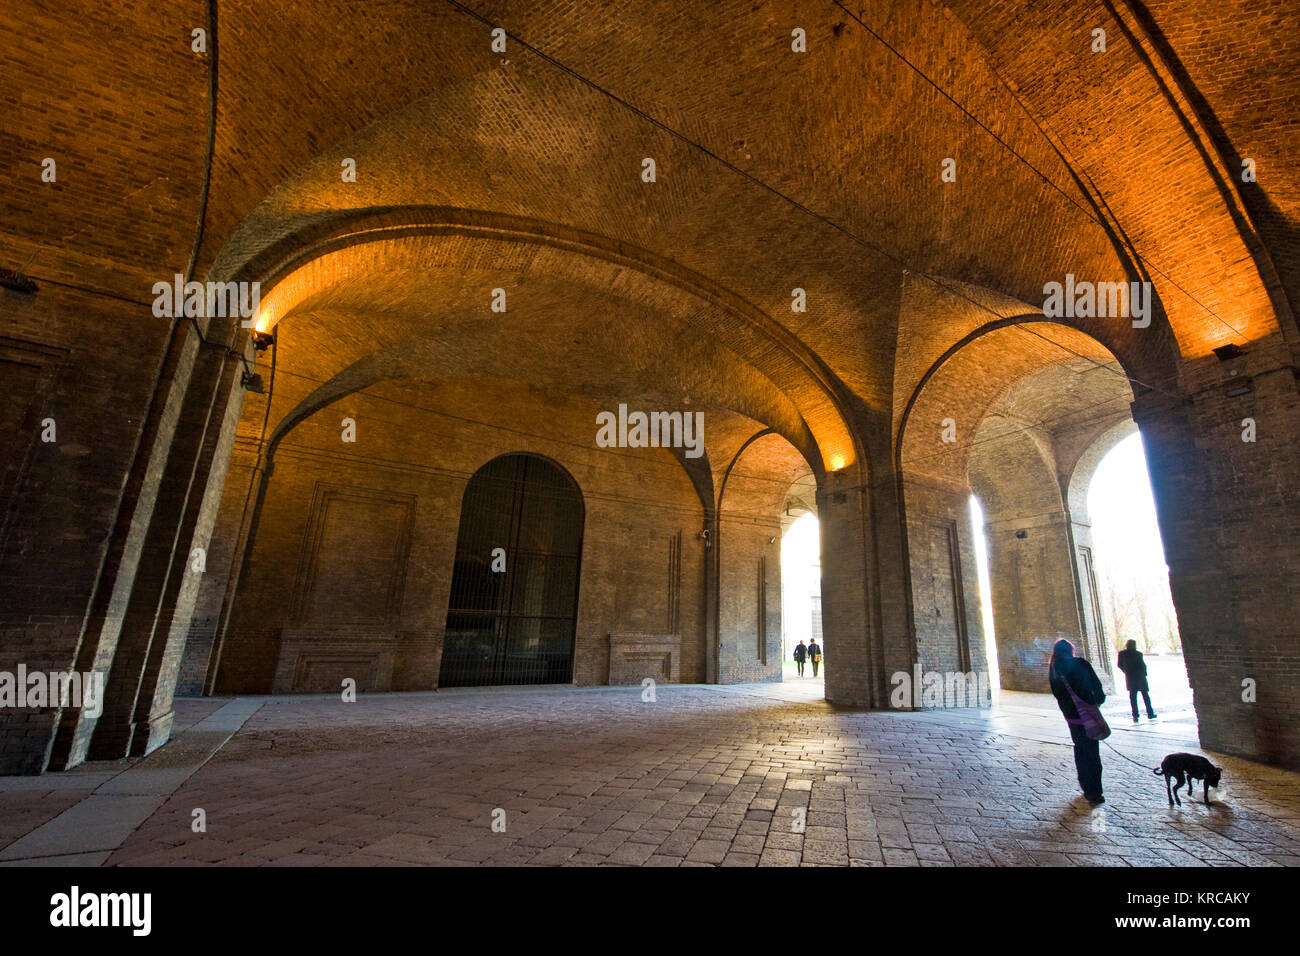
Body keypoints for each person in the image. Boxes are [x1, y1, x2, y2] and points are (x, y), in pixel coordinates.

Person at [1048, 638, 1106, 805]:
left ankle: (1086, 785)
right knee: (1092, 753)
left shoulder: (1053, 668)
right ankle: (1094, 791)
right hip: (1086, 713)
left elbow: (1057, 693)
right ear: (1070, 650)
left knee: (1080, 749)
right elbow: (1095, 685)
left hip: (1071, 717)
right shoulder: (1080, 663)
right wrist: (1097, 701)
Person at [1116, 639, 1157, 722]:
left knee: (1133, 697)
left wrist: (1125, 671)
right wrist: (1144, 673)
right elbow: (1142, 665)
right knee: (1145, 696)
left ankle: (1135, 715)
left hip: (1130, 677)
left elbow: (1119, 665)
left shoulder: (1122, 654)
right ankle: (1150, 713)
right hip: (1140, 677)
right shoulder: (1138, 654)